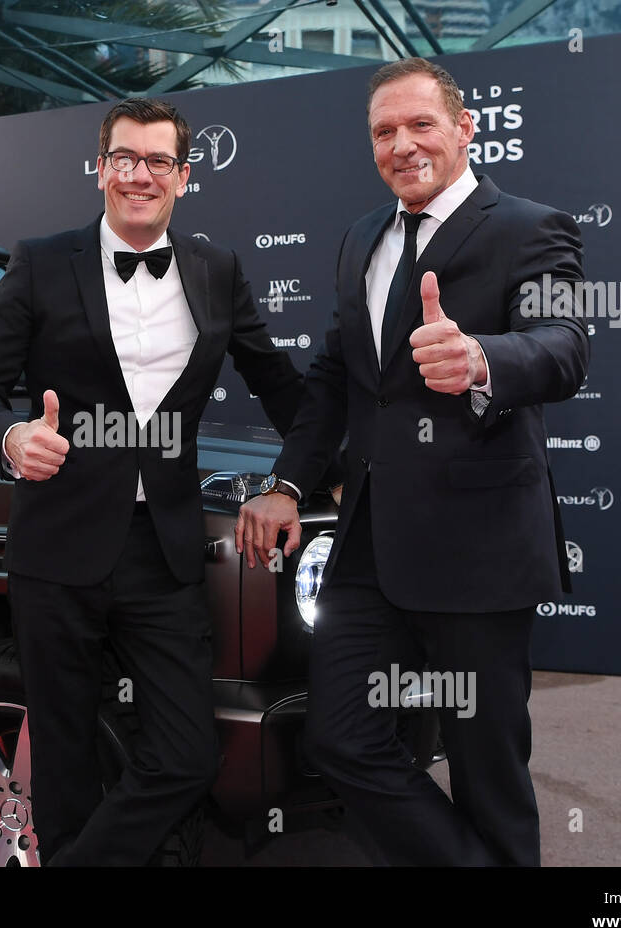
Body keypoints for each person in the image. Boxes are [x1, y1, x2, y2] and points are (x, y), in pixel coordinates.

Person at [0, 97, 324, 865]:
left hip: (165, 551)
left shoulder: (217, 270)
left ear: (184, 177)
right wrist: (13, 437)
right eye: (124, 158)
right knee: (64, 758)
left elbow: (282, 387)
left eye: (158, 161)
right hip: (58, 546)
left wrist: (303, 478)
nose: (140, 174)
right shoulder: (41, 261)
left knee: (187, 754)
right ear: (100, 169)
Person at [236, 57, 589, 866]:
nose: (403, 144)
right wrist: (288, 483)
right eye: (384, 132)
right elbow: (336, 377)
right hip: (371, 547)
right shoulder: (363, 237)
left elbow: (565, 345)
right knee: (341, 738)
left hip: (482, 545)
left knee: (487, 771)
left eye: (420, 124)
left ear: (466, 128)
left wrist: (482, 359)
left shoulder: (532, 226)